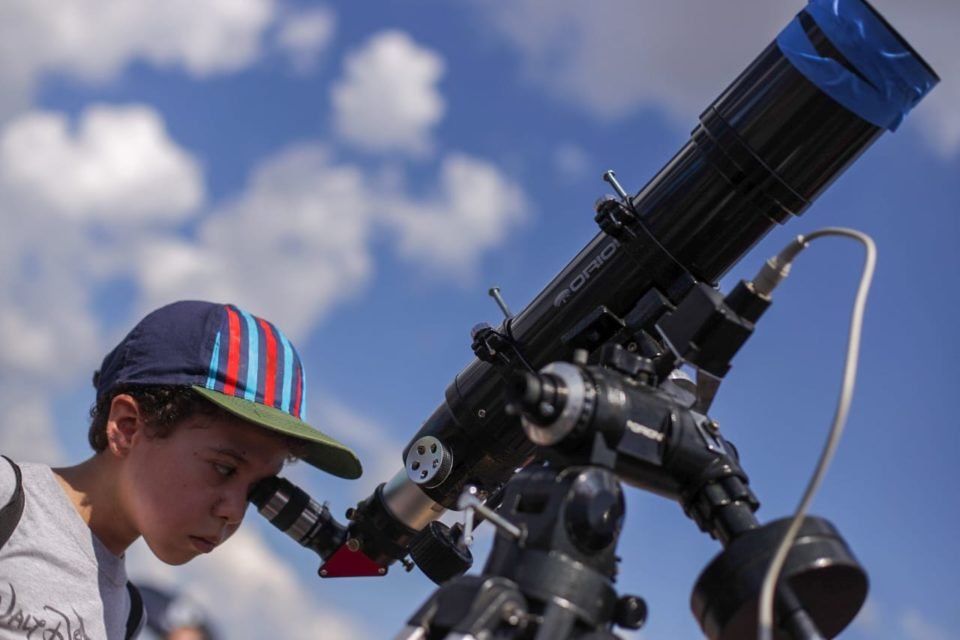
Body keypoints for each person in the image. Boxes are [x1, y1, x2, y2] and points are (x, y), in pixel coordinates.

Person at [0, 300, 362, 638]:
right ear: (127, 427)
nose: (234, 513)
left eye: (255, 491)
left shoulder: (127, 614)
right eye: (224, 469)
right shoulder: (8, 502)